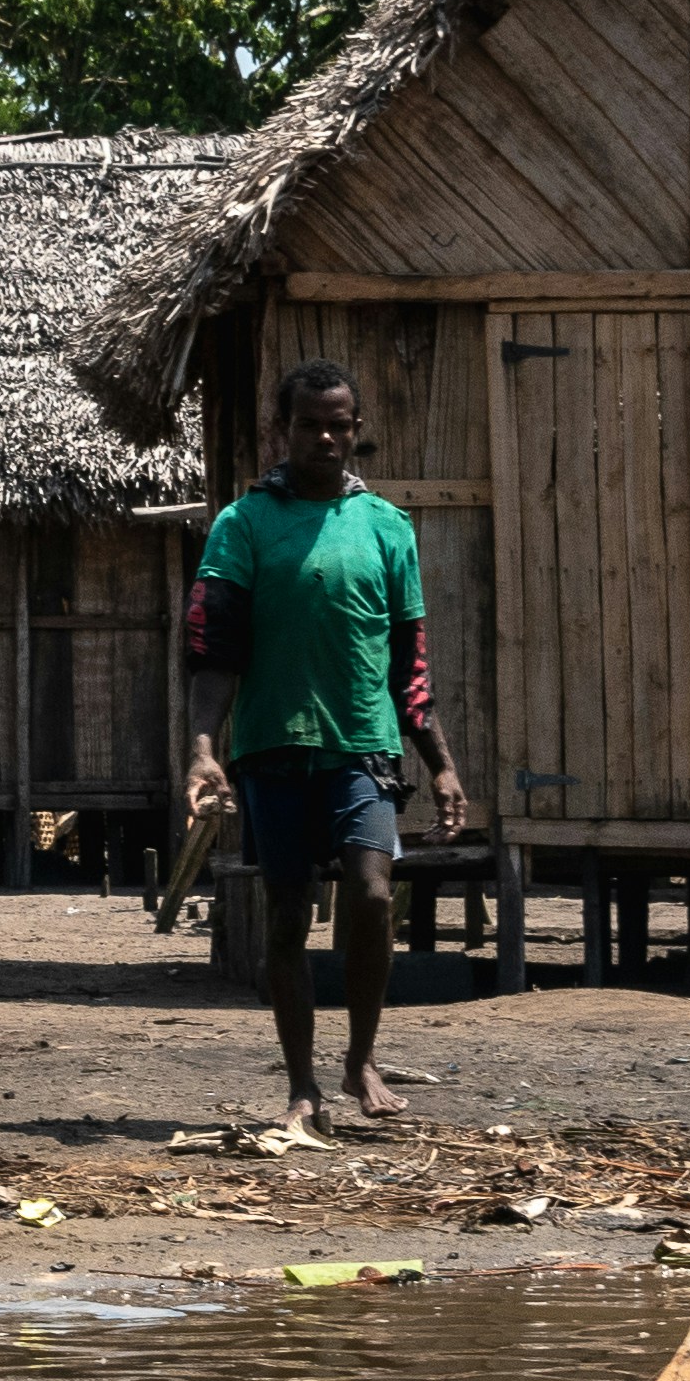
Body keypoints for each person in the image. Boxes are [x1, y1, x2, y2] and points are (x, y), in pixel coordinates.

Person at [182, 359, 468, 1130]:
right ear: (285, 430)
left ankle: (360, 1059)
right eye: (310, 424)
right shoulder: (243, 526)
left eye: (339, 423)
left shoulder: (386, 527)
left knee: (374, 897)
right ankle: (301, 1084)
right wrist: (204, 748)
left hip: (363, 749)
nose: (326, 437)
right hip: (274, 750)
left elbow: (409, 664)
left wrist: (440, 764)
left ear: (357, 429)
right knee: (286, 915)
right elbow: (214, 652)